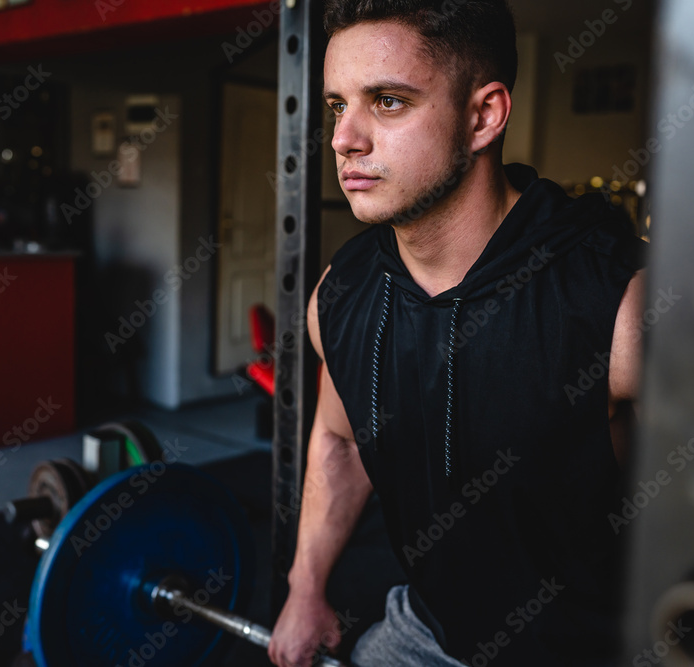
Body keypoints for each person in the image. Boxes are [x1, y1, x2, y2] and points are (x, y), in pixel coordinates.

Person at [268, 1, 648, 665]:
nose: (344, 138)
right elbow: (339, 438)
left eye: (386, 101)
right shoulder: (342, 292)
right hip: (430, 624)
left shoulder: (613, 303)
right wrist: (306, 587)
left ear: (483, 116)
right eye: (336, 105)